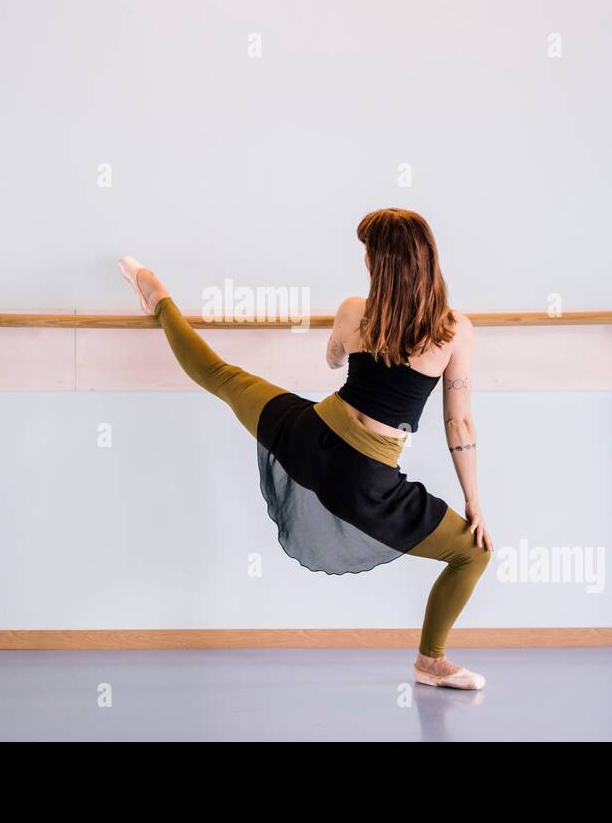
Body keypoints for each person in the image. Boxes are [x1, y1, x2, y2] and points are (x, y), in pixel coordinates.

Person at [118, 208, 493, 689]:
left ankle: (156, 293)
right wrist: (474, 503)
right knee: (473, 554)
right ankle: (430, 661)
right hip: (363, 485)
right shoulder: (454, 330)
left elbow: (334, 358)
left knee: (221, 376)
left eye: (367, 253)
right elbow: (457, 420)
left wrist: (343, 348)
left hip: (309, 437)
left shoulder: (355, 311)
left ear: (380, 264)